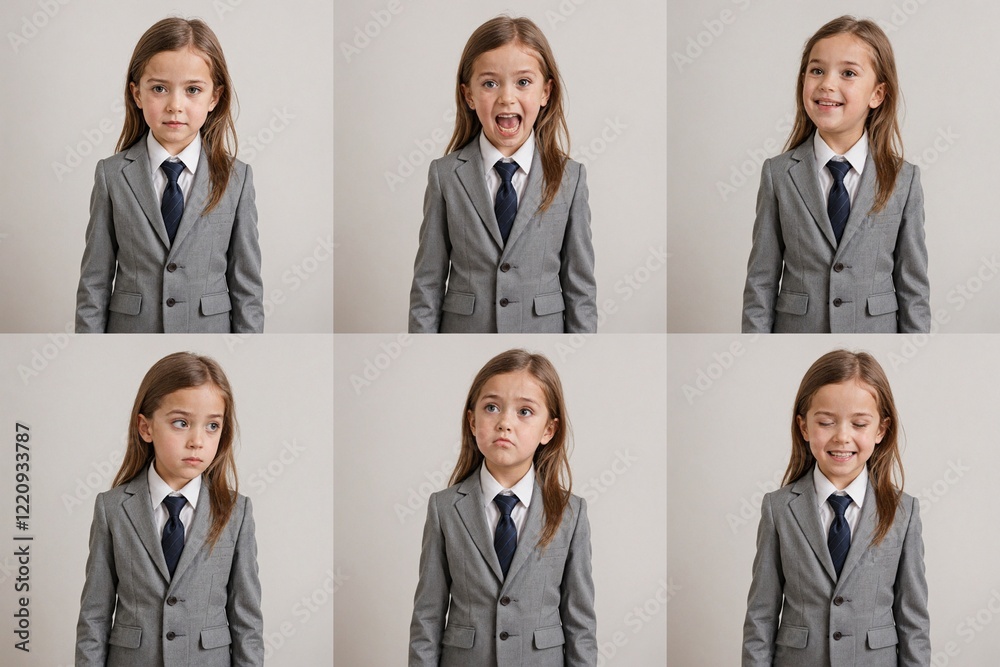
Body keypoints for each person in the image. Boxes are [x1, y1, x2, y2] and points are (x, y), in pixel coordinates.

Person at [409, 16, 596, 333]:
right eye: (490, 83)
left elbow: (581, 290)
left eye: (523, 82)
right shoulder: (445, 175)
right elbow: (427, 283)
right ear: (468, 95)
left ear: (545, 92)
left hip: (543, 334)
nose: (507, 97)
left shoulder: (571, 178)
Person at [409, 349, 597, 665]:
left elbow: (581, 624)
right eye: (492, 408)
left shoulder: (570, 513)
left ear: (548, 430)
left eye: (525, 411)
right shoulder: (444, 508)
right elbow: (427, 616)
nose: (505, 423)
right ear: (472, 421)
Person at [742, 16, 929, 333]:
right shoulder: (778, 174)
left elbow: (914, 288)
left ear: (877, 94)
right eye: (817, 70)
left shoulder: (903, 179)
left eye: (848, 73)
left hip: (876, 335)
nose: (827, 84)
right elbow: (761, 280)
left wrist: (916, 348)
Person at [76, 17, 263, 333]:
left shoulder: (237, 178)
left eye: (193, 90)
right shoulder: (111, 175)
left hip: (210, 332)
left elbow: (247, 288)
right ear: (137, 94)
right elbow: (94, 281)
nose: (175, 105)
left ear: (214, 97)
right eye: (159, 88)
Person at [743, 349, 930, 665]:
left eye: (859, 424)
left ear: (881, 429)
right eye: (826, 422)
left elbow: (914, 621)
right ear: (804, 427)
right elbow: (761, 615)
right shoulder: (778, 509)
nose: (842, 437)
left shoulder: (904, 512)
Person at [76, 352, 263, 666]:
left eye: (212, 426)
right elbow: (94, 615)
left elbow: (247, 621)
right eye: (181, 423)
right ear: (146, 428)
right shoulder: (112, 508)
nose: (197, 441)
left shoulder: (236, 511)